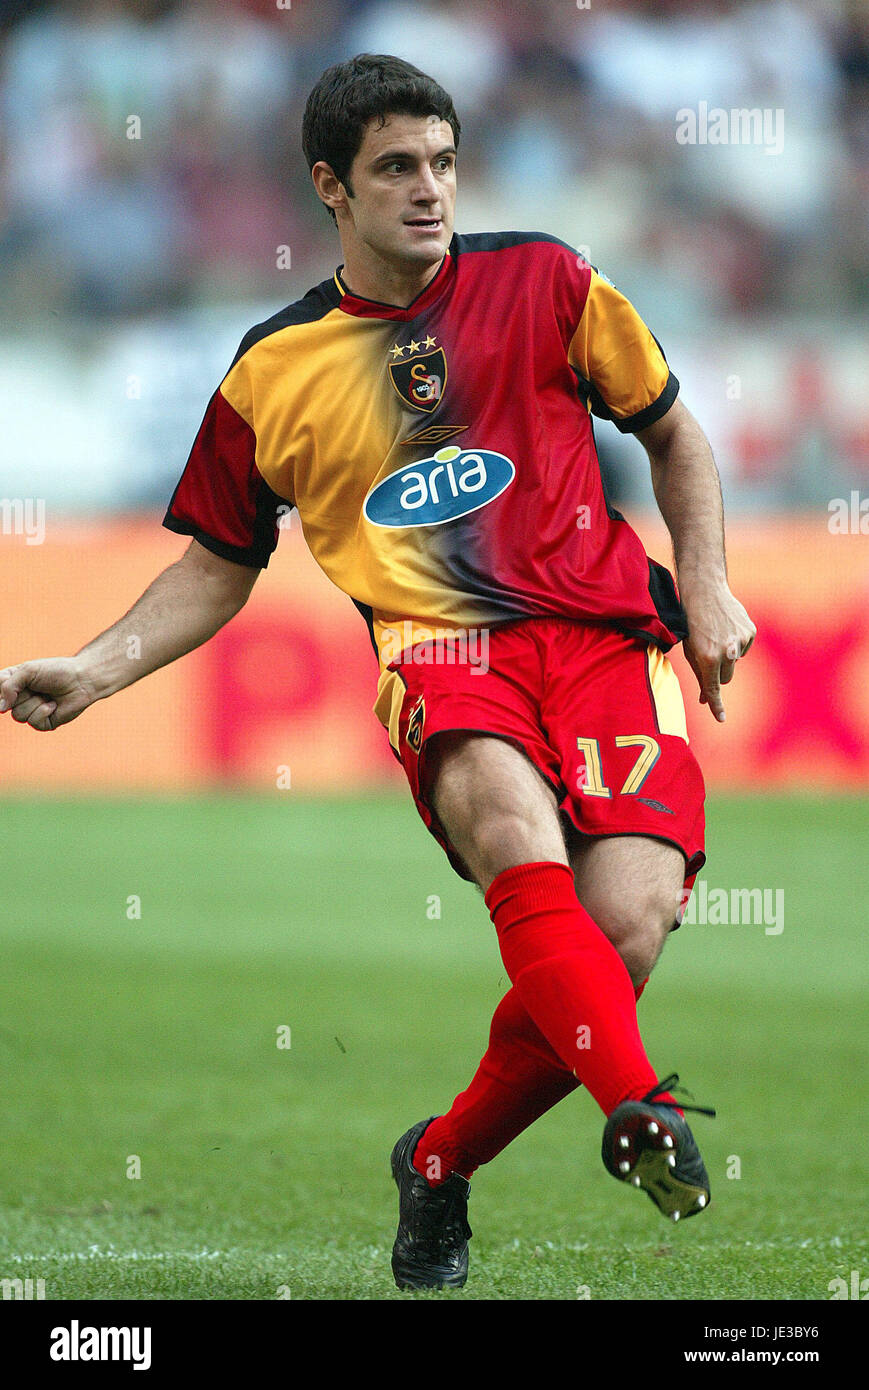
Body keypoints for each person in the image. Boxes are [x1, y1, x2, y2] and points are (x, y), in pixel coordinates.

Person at [0, 54, 756, 1293]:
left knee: (619, 931)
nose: (429, 190)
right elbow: (218, 562)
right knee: (512, 826)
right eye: (396, 168)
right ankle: (639, 1107)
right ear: (329, 189)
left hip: (606, 633)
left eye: (443, 163)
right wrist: (94, 669)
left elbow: (672, 430)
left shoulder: (551, 279)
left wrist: (710, 580)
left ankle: (439, 1161)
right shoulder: (272, 370)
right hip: (440, 649)